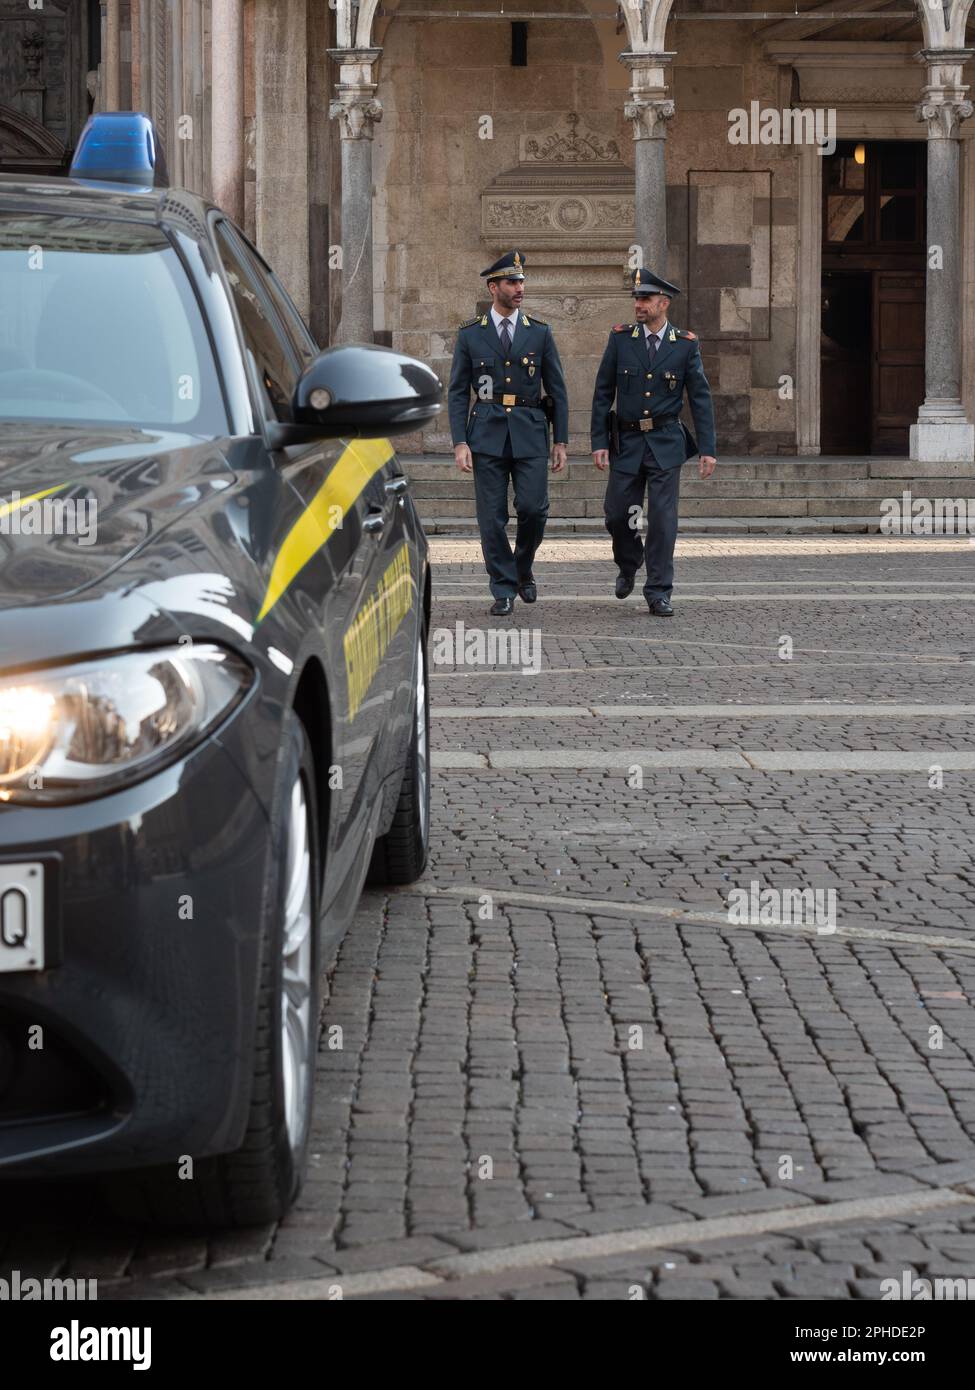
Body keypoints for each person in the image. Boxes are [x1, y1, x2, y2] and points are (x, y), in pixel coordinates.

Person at [448, 250, 569, 616]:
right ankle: (502, 587)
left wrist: (561, 439)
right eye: (512, 282)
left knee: (533, 509)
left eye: (521, 282)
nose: (519, 288)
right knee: (491, 518)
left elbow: (558, 390)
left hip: (530, 432)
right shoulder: (471, 335)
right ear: (493, 287)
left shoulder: (540, 333)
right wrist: (459, 442)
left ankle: (522, 567)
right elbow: (457, 392)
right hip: (486, 431)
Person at [591, 268, 717, 616]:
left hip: (664, 442)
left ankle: (659, 590)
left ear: (664, 303)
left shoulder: (686, 345)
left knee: (663, 520)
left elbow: (700, 397)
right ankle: (629, 562)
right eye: (636, 299)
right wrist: (599, 441)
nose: (638, 305)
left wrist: (708, 449)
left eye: (645, 299)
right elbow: (603, 393)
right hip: (627, 441)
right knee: (618, 515)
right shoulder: (620, 339)